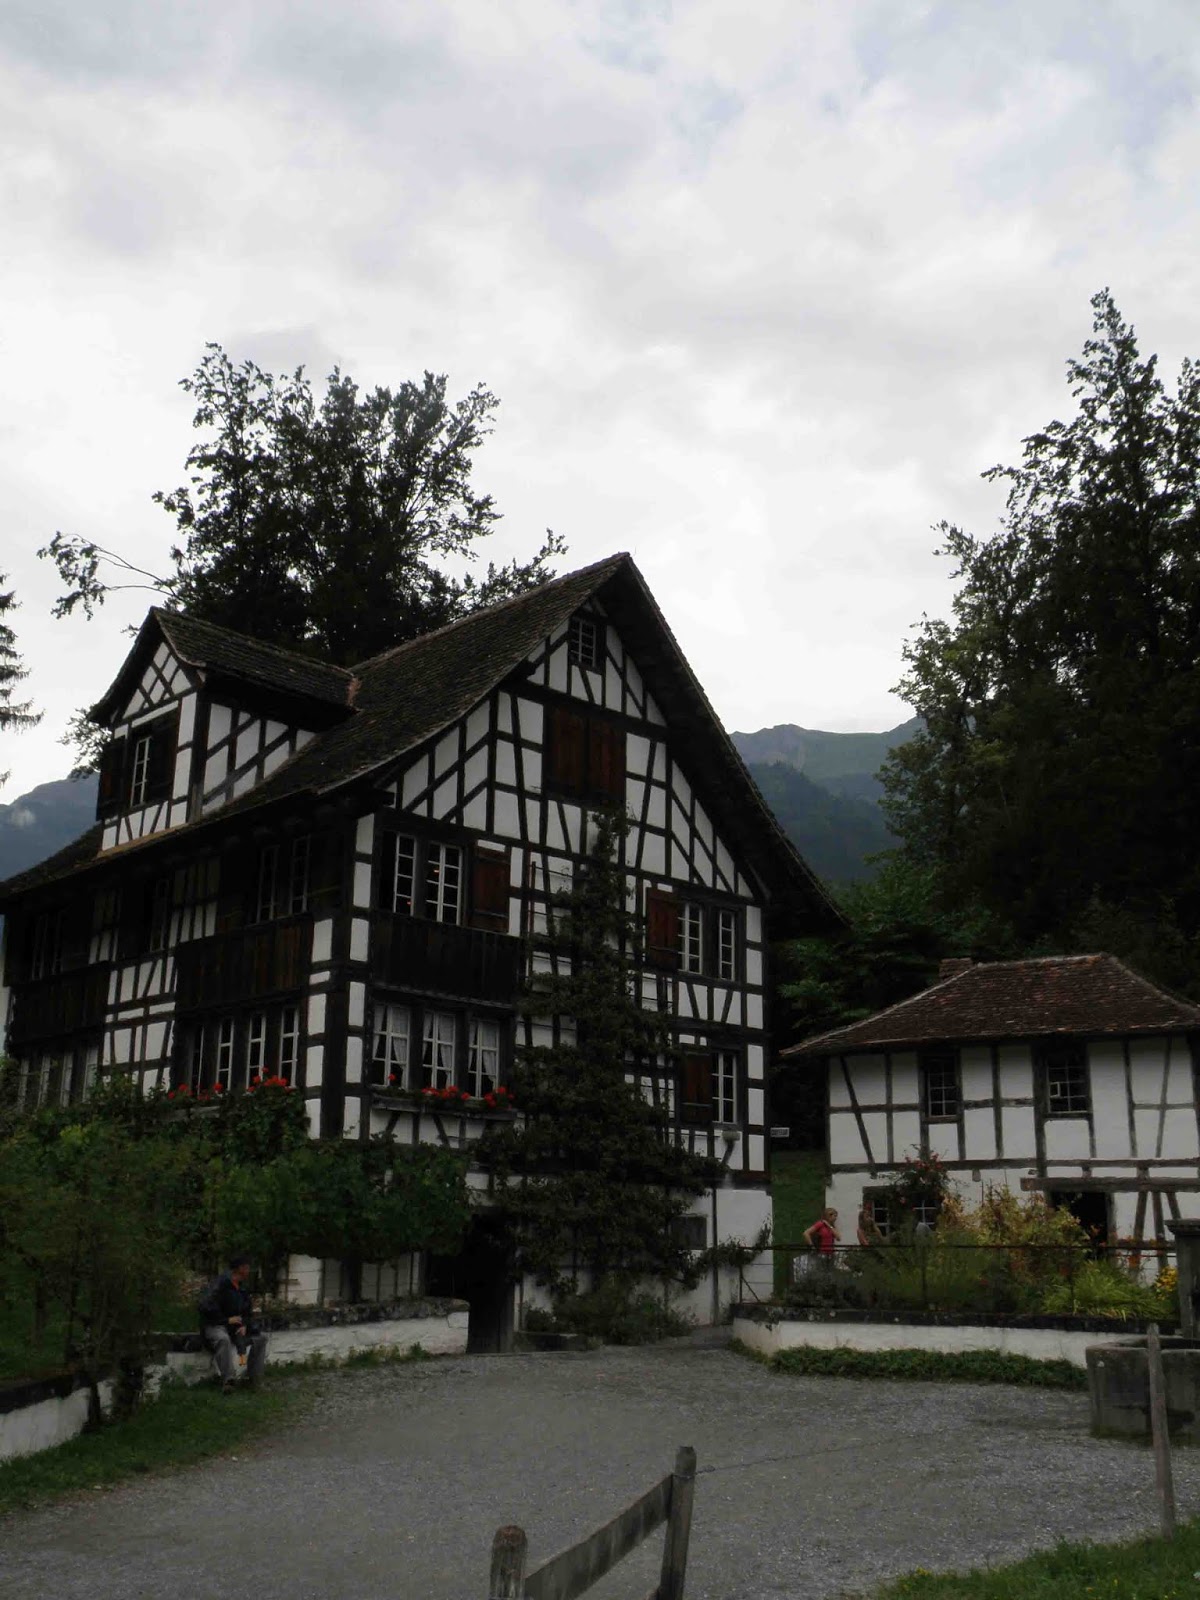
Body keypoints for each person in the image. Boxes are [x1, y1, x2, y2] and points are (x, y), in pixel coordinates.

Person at [200, 1255, 268, 1392]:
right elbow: (205, 1306)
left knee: (260, 1339)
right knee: (223, 1339)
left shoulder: (242, 1289)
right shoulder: (220, 1284)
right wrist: (226, 1320)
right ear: (240, 1268)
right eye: (247, 1267)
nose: (249, 1271)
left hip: (235, 1329)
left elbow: (247, 1312)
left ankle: (254, 1379)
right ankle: (228, 1380)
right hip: (216, 1325)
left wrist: (244, 1325)